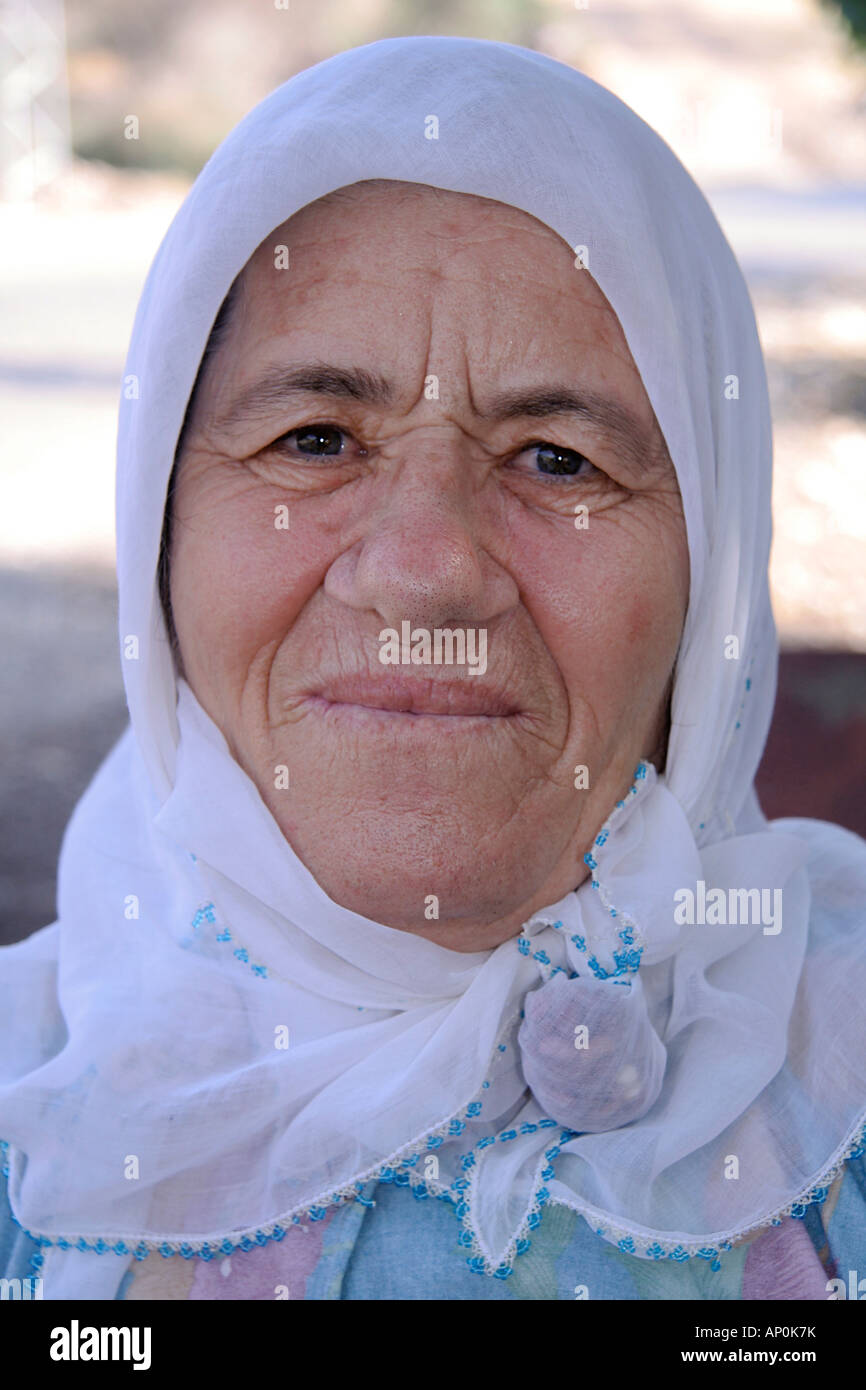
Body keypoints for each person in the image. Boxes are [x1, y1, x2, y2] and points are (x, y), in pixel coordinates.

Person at [1, 35, 864, 1302]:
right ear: (162, 535)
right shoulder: (40, 1113)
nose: (423, 568)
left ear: (710, 579)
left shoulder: (830, 1075)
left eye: (557, 458)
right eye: (315, 437)